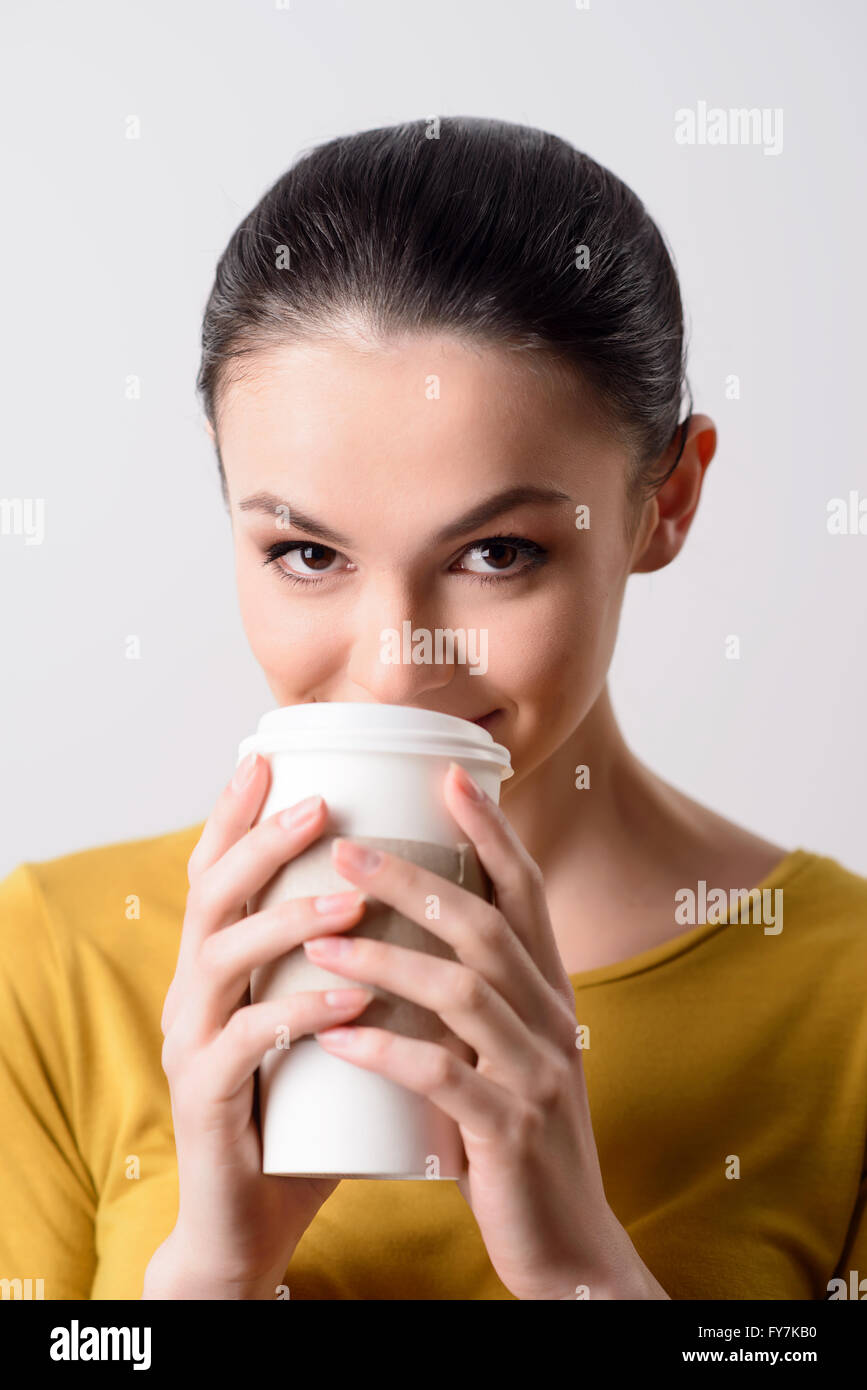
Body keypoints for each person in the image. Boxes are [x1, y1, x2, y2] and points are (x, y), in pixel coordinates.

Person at [1, 116, 865, 1301]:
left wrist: (581, 1271)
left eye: (500, 551)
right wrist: (211, 1271)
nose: (399, 665)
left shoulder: (842, 992)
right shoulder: (53, 959)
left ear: (666, 499)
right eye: (306, 552)